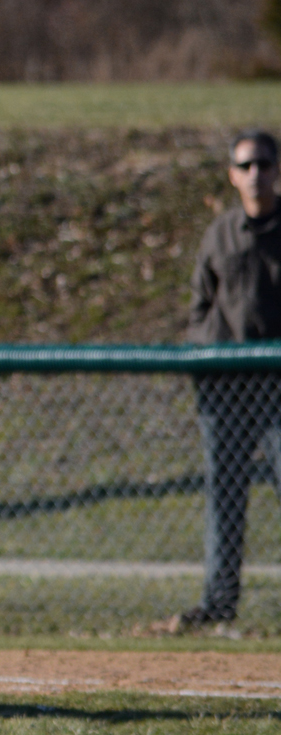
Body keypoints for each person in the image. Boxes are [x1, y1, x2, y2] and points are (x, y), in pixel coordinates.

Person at [184, 129, 281, 628]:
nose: (255, 174)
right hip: (226, 388)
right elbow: (199, 305)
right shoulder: (220, 234)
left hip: (277, 384)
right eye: (245, 166)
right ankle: (218, 605)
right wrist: (206, 352)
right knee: (224, 496)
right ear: (231, 175)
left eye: (264, 164)